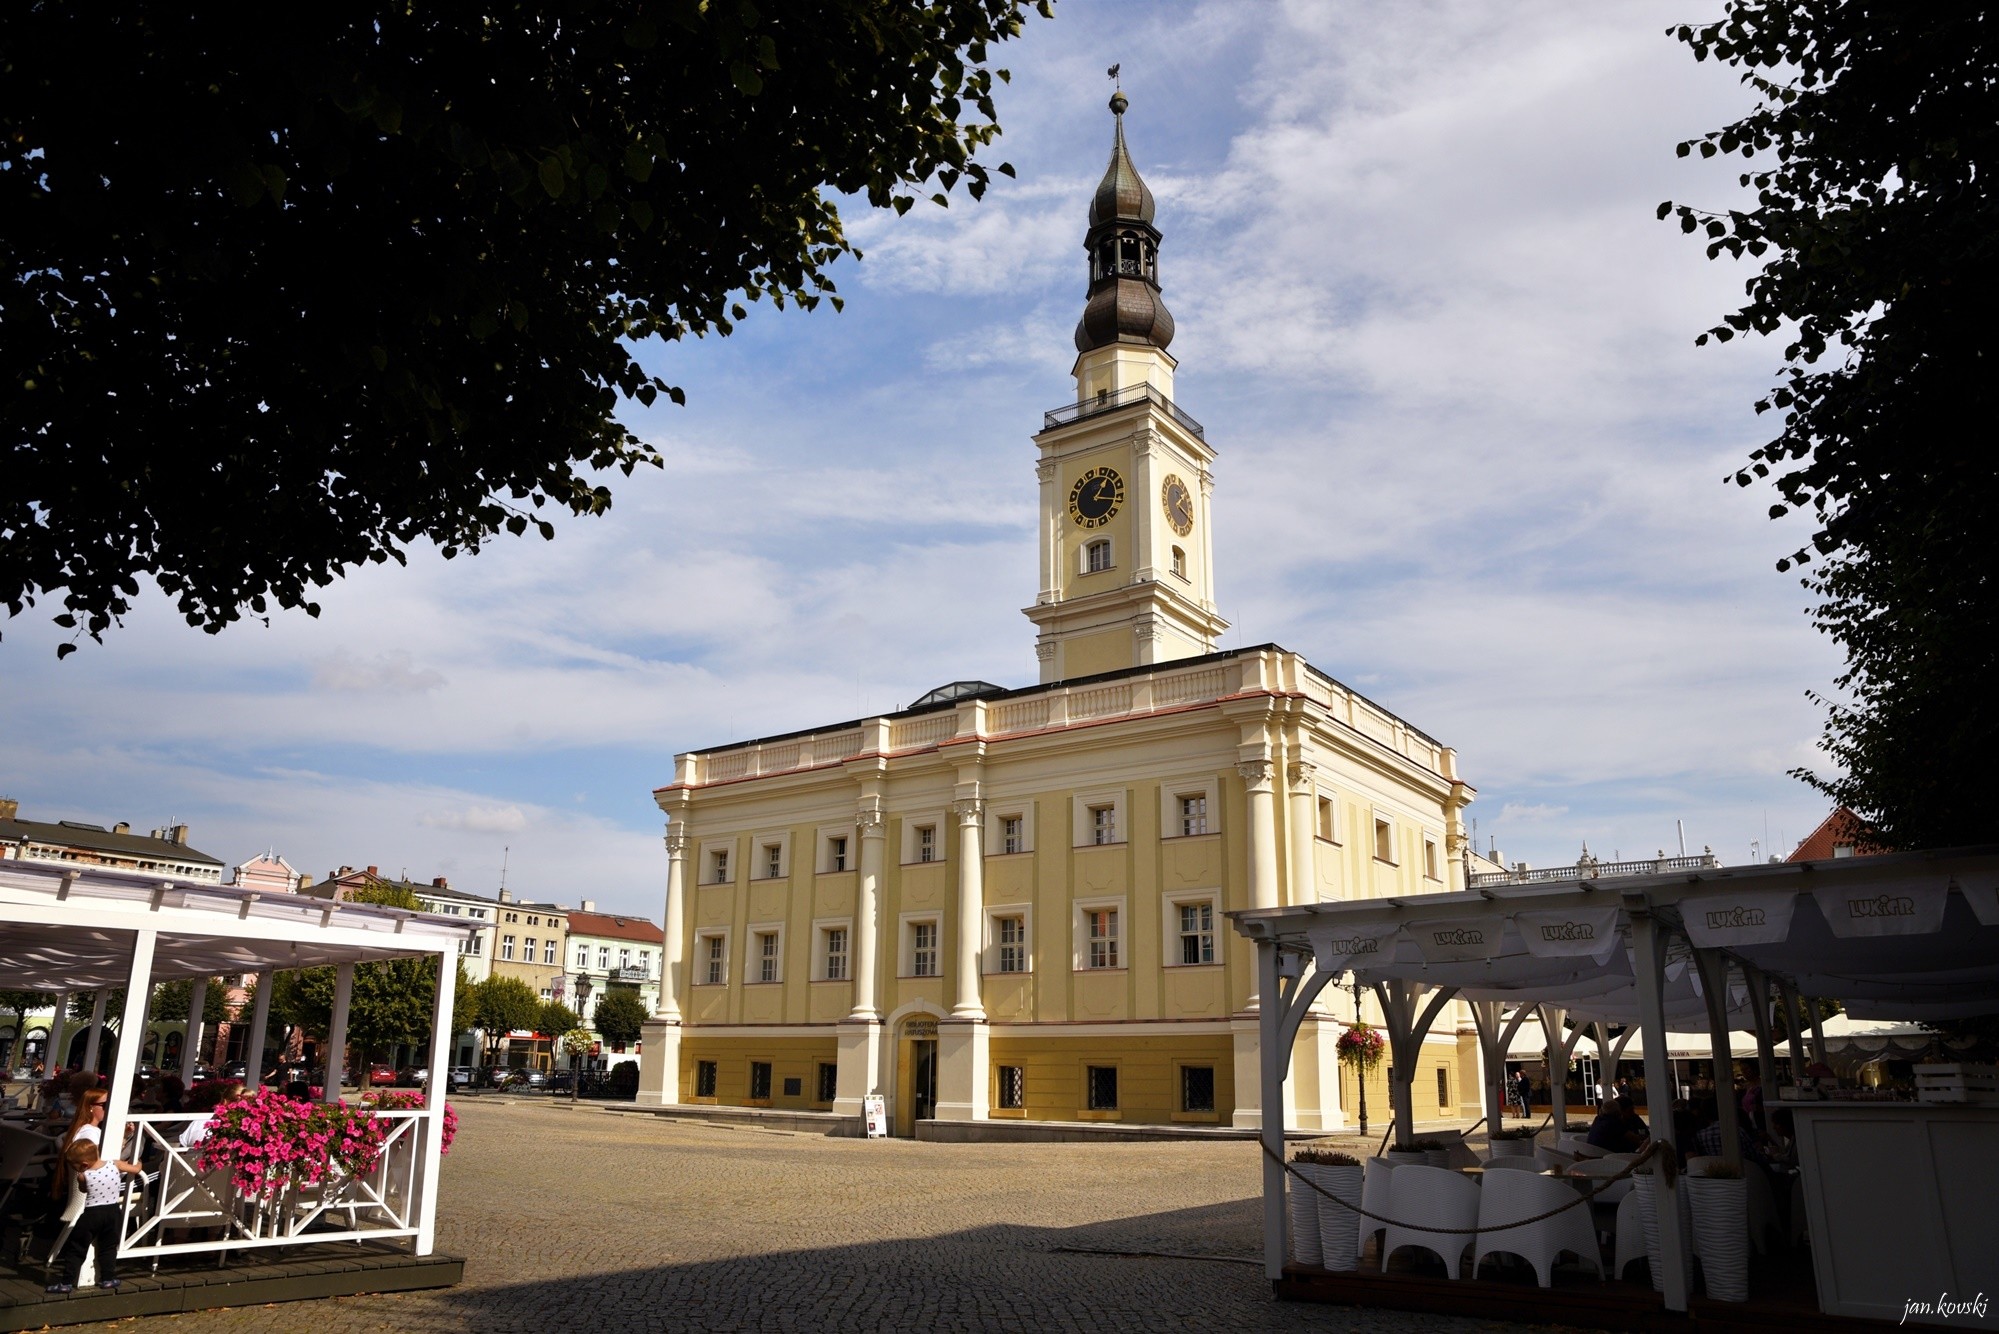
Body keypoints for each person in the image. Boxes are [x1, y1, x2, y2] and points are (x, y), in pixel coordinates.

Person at [46, 1140, 144, 1294]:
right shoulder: (115, 1164)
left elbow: (84, 1190)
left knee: (77, 1248)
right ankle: (108, 1279)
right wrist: (138, 1161)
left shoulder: (83, 1176)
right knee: (109, 1247)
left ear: (84, 1164)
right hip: (112, 1213)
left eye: (76, 1167)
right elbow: (136, 1169)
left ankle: (66, 1282)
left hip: (92, 1214)